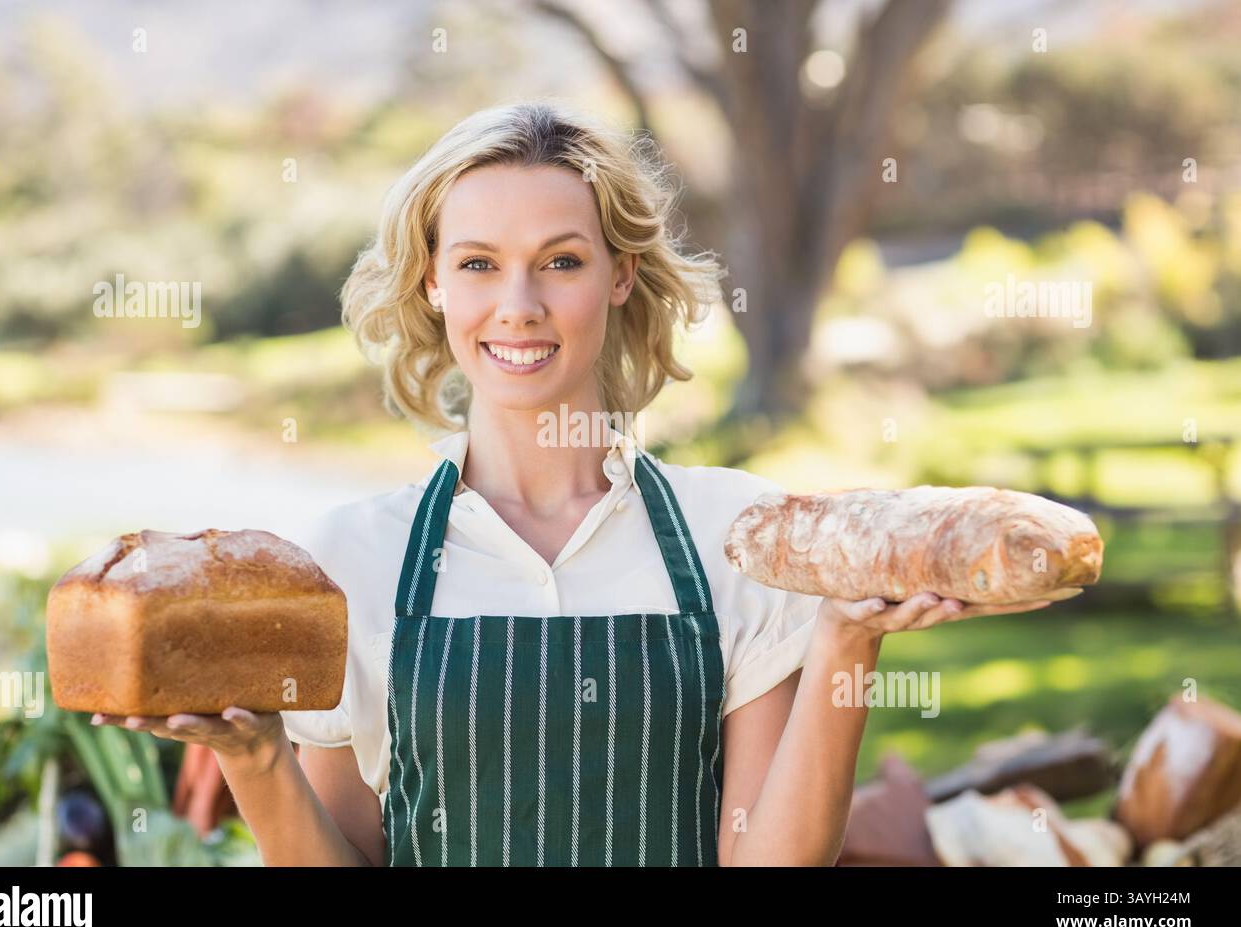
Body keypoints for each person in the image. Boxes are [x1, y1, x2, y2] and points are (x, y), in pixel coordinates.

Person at [97, 100, 1051, 866]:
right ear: (434, 284)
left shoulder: (740, 537)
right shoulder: (351, 560)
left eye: (560, 261)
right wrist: (260, 758)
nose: (519, 306)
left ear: (621, 276)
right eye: (479, 265)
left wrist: (847, 637)